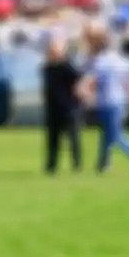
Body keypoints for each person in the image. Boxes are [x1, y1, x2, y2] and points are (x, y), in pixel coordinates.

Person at [82, 21, 129, 175]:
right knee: (107, 133)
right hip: (119, 100)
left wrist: (85, 93)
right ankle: (103, 164)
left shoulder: (100, 61)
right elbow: (128, 82)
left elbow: (92, 80)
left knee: (114, 134)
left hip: (108, 101)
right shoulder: (120, 61)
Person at [41, 34, 83, 174]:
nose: (53, 53)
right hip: (53, 109)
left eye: (56, 50)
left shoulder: (67, 66)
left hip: (69, 107)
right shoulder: (47, 68)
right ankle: (51, 166)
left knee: (73, 139)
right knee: (53, 139)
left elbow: (79, 77)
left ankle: (77, 164)